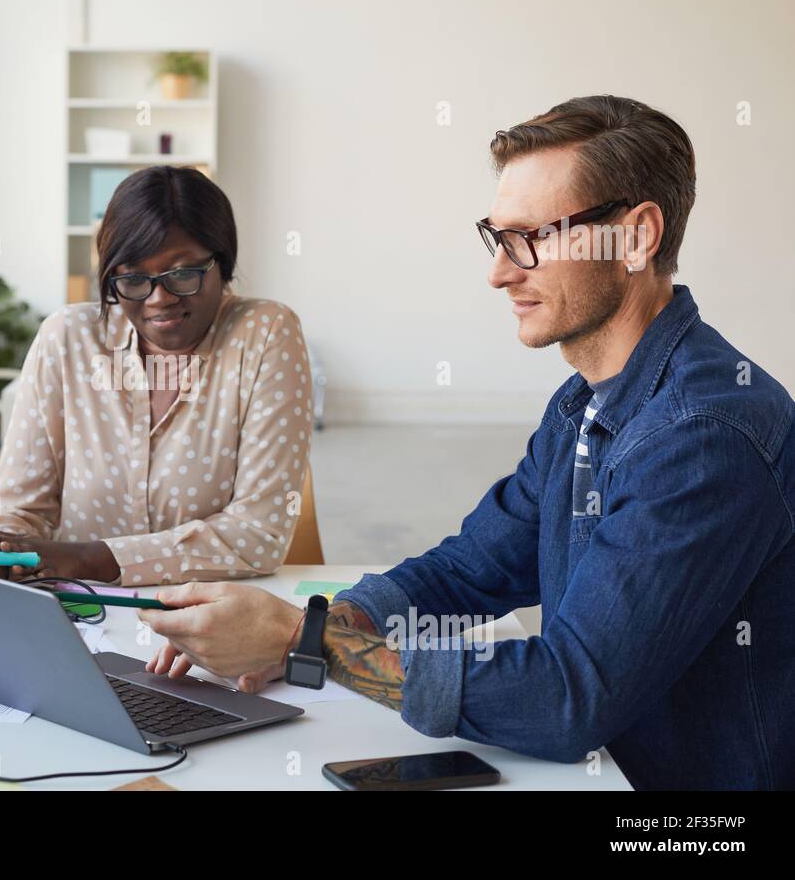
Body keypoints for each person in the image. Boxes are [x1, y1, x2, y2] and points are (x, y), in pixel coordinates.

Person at [138, 96, 795, 790]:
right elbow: (470, 569)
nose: (500, 272)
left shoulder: (705, 435)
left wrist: (305, 644)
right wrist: (318, 622)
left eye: (530, 237)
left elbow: (568, 696)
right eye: (498, 237)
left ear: (635, 238)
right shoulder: (582, 405)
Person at [0, 166, 313, 585]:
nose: (159, 299)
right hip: (82, 610)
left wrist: (89, 559)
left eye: (182, 274)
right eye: (133, 279)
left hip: (208, 617)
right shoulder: (67, 339)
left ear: (222, 262)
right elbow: (19, 508)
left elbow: (258, 534)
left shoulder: (266, 333)